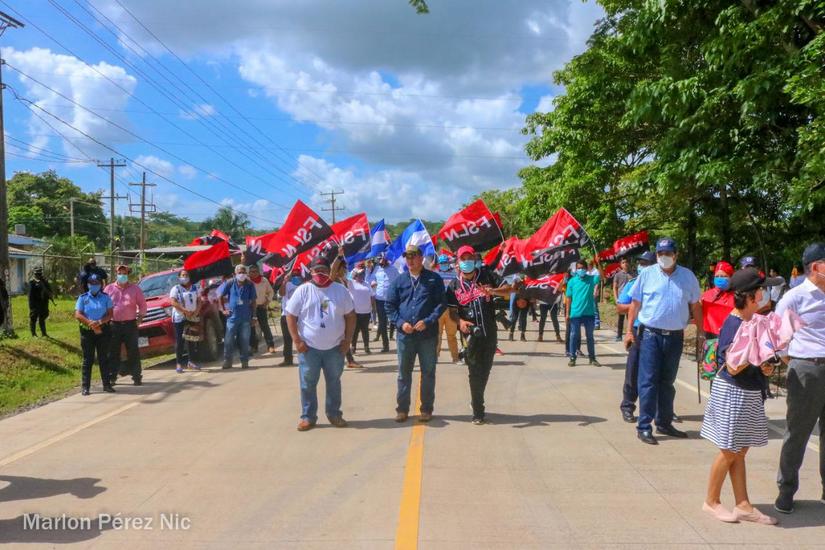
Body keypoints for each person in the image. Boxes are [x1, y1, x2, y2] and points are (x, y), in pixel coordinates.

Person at [700, 269, 781, 525]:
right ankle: (711, 501)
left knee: (740, 451)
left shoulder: (752, 321)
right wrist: (755, 354)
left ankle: (743, 504)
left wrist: (766, 364)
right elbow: (733, 366)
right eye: (761, 290)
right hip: (733, 391)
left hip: (750, 391)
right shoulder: (734, 324)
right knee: (728, 451)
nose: (764, 294)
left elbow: (755, 360)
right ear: (749, 296)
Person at [626, 238, 702, 445]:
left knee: (667, 382)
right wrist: (629, 331)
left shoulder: (688, 277)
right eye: (660, 253)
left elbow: (696, 306)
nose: (664, 257)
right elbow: (635, 304)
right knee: (648, 382)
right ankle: (644, 426)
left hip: (675, 337)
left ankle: (664, 422)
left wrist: (701, 333)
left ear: (676, 255)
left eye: (668, 253)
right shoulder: (648, 274)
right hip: (650, 335)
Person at [774, 242, 825, 514]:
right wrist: (794, 361)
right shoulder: (795, 298)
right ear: (816, 267)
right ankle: (786, 490)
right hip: (807, 369)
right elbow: (778, 338)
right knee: (798, 432)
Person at [286, 256, 355, 431]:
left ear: (329, 271)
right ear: (311, 272)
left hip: (335, 348)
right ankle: (308, 417)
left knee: (334, 381)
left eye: (324, 270)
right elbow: (290, 315)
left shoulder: (340, 290)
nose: (320, 274)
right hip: (309, 348)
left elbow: (350, 316)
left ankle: (334, 414)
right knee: (307, 383)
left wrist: (347, 341)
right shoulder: (303, 290)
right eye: (317, 270)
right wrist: (297, 340)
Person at [447, 245, 511, 424]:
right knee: (474, 371)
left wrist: (494, 291)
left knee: (486, 369)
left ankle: (476, 399)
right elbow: (452, 312)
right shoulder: (453, 286)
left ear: (475, 259)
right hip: (470, 335)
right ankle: (478, 411)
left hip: (489, 331)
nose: (467, 261)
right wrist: (460, 322)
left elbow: (509, 290)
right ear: (458, 262)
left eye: (470, 258)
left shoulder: (487, 275)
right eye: (463, 258)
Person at [385, 244, 445, 423]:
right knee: (404, 373)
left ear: (421, 258)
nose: (410, 260)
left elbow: (441, 304)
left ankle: (426, 409)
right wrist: (400, 323)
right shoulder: (399, 281)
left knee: (428, 372)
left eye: (413, 256)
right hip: (405, 336)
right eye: (407, 257)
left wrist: (427, 321)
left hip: (427, 336)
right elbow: (390, 306)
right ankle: (402, 409)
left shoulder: (434, 279)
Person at [617, 250, 656, 422]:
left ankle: (661, 409)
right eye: (641, 263)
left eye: (646, 264)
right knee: (633, 371)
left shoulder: (662, 282)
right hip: (638, 332)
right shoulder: (633, 283)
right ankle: (628, 406)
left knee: (657, 374)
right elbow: (620, 306)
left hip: (657, 332)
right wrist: (638, 305)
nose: (642, 267)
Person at [106, 264, 147, 386]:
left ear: (128, 274)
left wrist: (140, 318)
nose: (122, 276)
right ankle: (112, 376)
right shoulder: (108, 289)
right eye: (120, 273)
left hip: (130, 324)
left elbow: (143, 305)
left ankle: (136, 376)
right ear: (116, 274)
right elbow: (103, 304)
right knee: (113, 351)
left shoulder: (135, 289)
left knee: (133, 351)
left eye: (124, 273)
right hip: (114, 324)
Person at [74, 273, 114, 395]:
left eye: (96, 284)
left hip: (103, 330)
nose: (94, 286)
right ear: (88, 285)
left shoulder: (106, 297)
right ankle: (85, 387)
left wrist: (100, 322)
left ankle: (107, 385)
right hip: (87, 332)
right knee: (88, 360)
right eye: (92, 284)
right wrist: (90, 323)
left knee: (104, 358)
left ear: (100, 285)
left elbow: (110, 314)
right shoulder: (83, 298)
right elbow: (78, 314)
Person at [565, 260, 601, 367]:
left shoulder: (591, 279)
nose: (580, 270)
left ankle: (592, 358)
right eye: (579, 268)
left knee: (590, 336)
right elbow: (568, 298)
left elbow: (602, 277)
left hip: (589, 314)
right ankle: (572, 357)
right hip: (575, 314)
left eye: (582, 268)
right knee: (573, 335)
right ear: (576, 269)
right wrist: (567, 313)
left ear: (586, 269)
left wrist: (599, 264)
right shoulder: (572, 281)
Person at [220, 264, 257, 369]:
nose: (242, 274)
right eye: (239, 272)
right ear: (235, 274)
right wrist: (223, 310)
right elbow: (220, 296)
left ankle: (245, 361)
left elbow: (253, 301)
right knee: (228, 340)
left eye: (244, 272)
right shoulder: (230, 283)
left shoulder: (250, 284)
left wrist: (254, 317)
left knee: (245, 340)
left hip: (246, 317)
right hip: (232, 317)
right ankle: (228, 361)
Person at [169, 269, 202, 373]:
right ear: (179, 277)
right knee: (180, 341)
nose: (185, 277)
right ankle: (179, 363)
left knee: (191, 339)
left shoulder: (195, 287)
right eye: (182, 275)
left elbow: (199, 301)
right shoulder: (176, 289)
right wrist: (184, 311)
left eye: (186, 275)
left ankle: (191, 361)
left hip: (192, 317)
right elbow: (173, 302)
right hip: (179, 317)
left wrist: (196, 311)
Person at [368, 255, 399, 352]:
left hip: (391, 300)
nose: (381, 262)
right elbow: (371, 279)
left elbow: (399, 282)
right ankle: (385, 345)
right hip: (379, 299)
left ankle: (400, 342)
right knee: (382, 322)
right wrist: (373, 282)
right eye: (379, 260)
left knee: (395, 320)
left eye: (383, 260)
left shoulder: (394, 270)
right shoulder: (377, 269)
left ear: (386, 260)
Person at [345, 265, 374, 368]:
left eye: (363, 274)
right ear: (355, 275)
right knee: (355, 331)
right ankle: (353, 347)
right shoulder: (351, 283)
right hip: (355, 312)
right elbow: (343, 278)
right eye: (359, 274)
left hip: (366, 312)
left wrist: (372, 308)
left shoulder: (367, 284)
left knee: (365, 330)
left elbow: (372, 296)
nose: (361, 276)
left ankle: (367, 347)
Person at [701, 261, 736, 339]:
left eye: (723, 276)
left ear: (730, 277)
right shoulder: (706, 296)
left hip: (731, 338)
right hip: (711, 339)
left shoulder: (736, 297)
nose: (720, 278)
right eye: (717, 276)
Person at [436, 254, 460, 363]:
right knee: (437, 335)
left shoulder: (454, 274)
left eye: (445, 263)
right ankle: (434, 357)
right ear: (439, 264)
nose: (443, 265)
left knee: (451, 335)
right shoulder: (435, 274)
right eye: (441, 263)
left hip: (451, 308)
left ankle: (455, 358)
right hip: (438, 308)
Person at [248, 265, 276, 354]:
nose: (253, 273)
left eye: (255, 271)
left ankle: (270, 346)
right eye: (251, 272)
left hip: (261, 307)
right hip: (251, 308)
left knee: (265, 326)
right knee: (252, 328)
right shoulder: (247, 282)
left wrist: (267, 302)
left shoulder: (264, 280)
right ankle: (253, 347)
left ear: (258, 272)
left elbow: (271, 292)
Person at [278, 272, 303, 366]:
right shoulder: (287, 283)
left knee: (303, 337)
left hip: (301, 315)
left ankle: (305, 359)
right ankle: (288, 359)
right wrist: (284, 282)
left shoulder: (305, 284)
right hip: (287, 314)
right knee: (287, 338)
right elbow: (281, 293)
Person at [28, 266, 53, 337]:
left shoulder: (45, 281)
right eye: (37, 274)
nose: (38, 275)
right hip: (35, 304)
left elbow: (50, 292)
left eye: (39, 274)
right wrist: (31, 306)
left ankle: (44, 333)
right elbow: (30, 295)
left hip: (44, 303)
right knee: (33, 319)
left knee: (42, 318)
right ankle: (33, 334)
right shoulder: (32, 282)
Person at [613, 257, 633, 341]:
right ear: (620, 264)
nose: (625, 264)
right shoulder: (618, 275)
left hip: (631, 300)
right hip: (621, 299)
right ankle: (619, 335)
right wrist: (616, 298)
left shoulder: (632, 274)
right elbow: (615, 287)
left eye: (626, 262)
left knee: (631, 318)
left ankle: (631, 334)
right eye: (623, 262)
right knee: (620, 318)